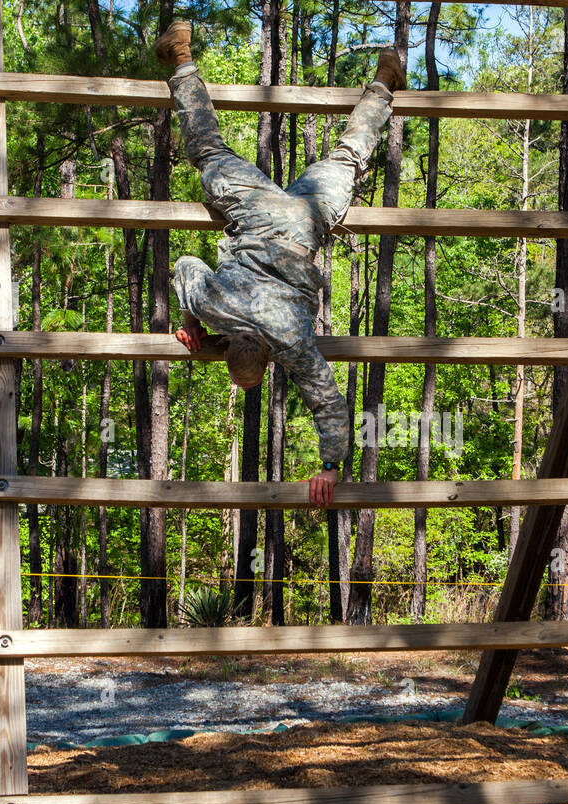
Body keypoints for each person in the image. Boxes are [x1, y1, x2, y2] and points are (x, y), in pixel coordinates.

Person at [153, 20, 405, 506]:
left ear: (269, 359)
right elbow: (185, 264)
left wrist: (330, 469)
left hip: (305, 224)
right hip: (256, 210)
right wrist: (193, 324)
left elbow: (328, 402)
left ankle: (385, 81)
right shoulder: (214, 305)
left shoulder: (292, 344)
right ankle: (181, 57)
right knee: (208, 151)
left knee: (349, 158)